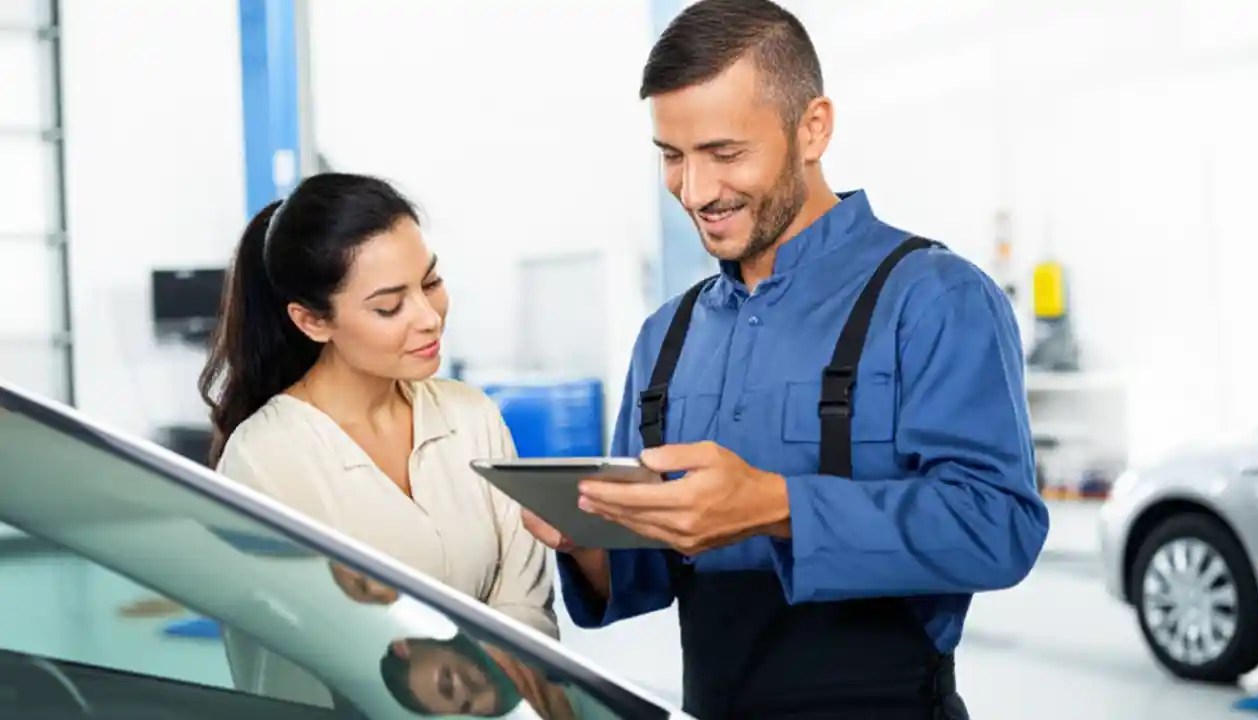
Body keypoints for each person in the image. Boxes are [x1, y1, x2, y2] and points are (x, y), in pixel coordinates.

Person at [520, 1, 1050, 717]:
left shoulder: (933, 298)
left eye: (724, 153)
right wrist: (581, 537)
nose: (696, 191)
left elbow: (998, 528)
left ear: (813, 128)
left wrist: (775, 506)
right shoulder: (665, 337)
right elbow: (639, 572)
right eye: (672, 157)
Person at [199, 172, 557, 701]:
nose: (429, 317)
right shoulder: (267, 460)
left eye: (431, 283)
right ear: (312, 321)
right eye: (389, 307)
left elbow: (527, 605)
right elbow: (294, 669)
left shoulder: (472, 416)